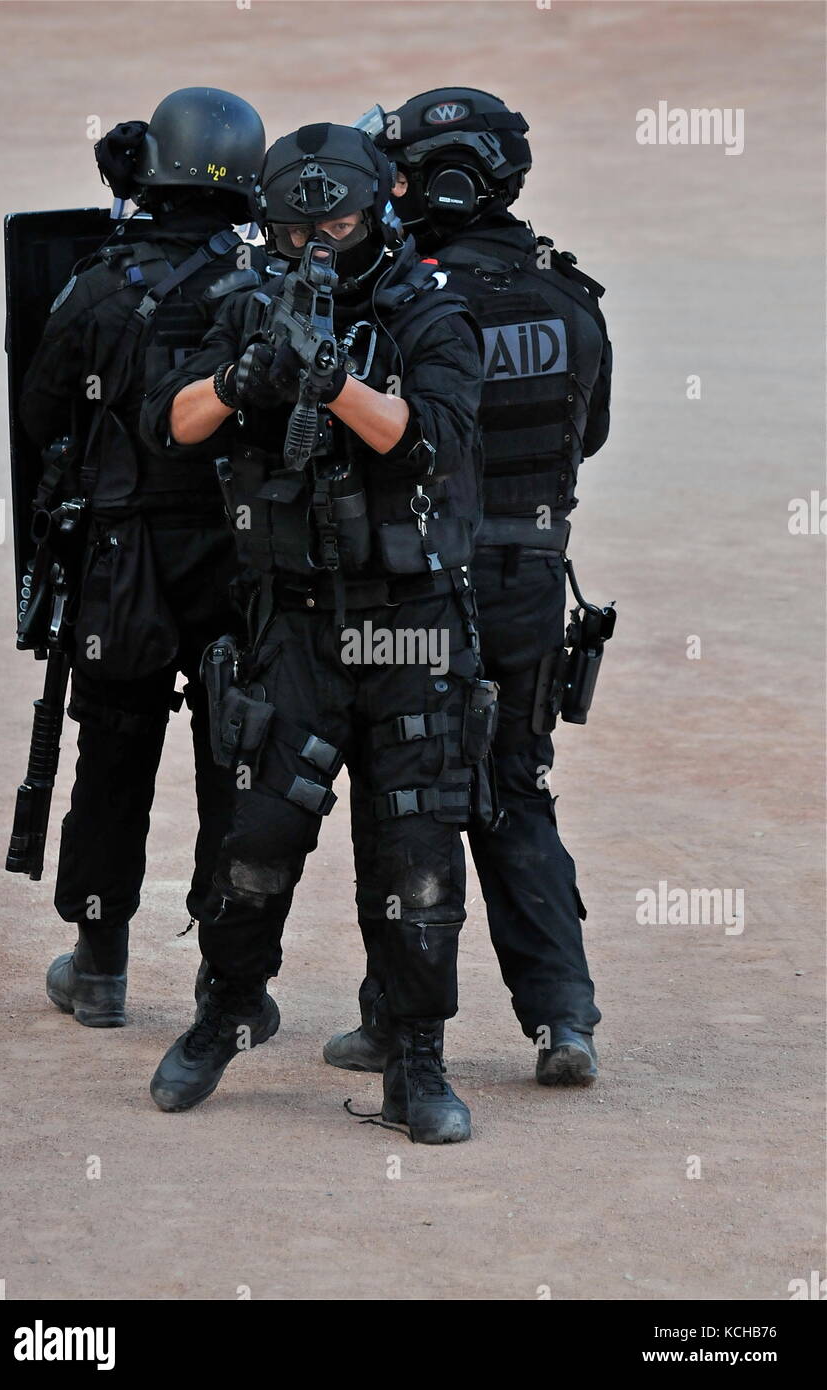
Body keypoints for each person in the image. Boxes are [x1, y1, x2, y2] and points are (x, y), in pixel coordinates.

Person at [141, 123, 487, 1143]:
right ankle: (226, 1007)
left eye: (336, 225)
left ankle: (416, 1060)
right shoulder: (245, 300)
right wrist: (244, 379)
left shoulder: (427, 307)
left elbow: (430, 440)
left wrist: (334, 386)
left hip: (411, 623)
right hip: (291, 623)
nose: (317, 247)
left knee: (416, 853)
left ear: (376, 208)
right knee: (255, 842)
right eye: (297, 230)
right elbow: (173, 421)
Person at [325, 88, 612, 1085]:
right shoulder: (566, 296)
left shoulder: (403, 299)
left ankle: (385, 1024)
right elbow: (591, 434)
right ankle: (562, 1022)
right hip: (530, 579)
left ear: (437, 178)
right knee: (516, 789)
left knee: (403, 793)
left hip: (419, 581)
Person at [19, 88, 267, 1027]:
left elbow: (41, 419)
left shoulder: (96, 286)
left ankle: (99, 969)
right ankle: (228, 979)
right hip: (238, 563)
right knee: (232, 765)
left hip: (122, 562)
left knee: (112, 759)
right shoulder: (262, 292)